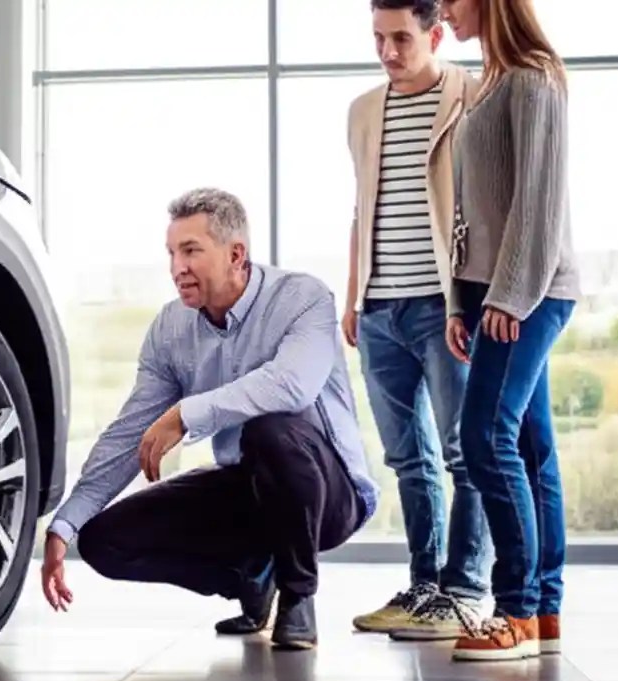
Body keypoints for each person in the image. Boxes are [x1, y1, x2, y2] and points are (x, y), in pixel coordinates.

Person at [39, 188, 380, 650]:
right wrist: (66, 524)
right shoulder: (171, 328)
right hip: (247, 485)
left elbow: (290, 385)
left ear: (236, 254)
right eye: (172, 253)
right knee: (104, 541)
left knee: (270, 429)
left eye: (191, 250)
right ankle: (249, 578)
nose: (177, 267)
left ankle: (298, 597)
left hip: (328, 495)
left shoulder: (303, 298)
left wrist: (186, 414)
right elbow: (131, 432)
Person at [344, 0, 492, 641]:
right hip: (380, 310)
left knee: (465, 454)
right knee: (410, 459)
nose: (387, 51)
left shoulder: (475, 96)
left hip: (446, 307)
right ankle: (425, 586)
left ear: (436, 33)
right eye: (378, 38)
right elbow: (361, 208)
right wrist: (355, 297)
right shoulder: (362, 111)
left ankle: (466, 590)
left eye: (401, 38)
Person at [440, 0, 580, 662]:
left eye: (450, 0)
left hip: (527, 292)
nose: (443, 10)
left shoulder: (532, 76)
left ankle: (517, 612)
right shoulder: (491, 80)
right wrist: (458, 303)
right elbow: (473, 210)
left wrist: (514, 296)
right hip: (490, 293)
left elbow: (539, 199)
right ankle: (544, 609)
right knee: (528, 446)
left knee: (484, 437)